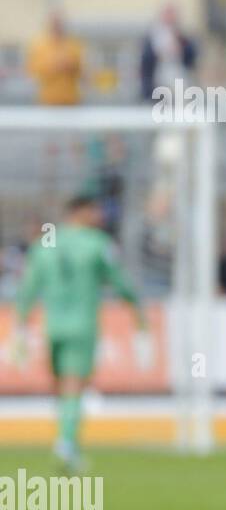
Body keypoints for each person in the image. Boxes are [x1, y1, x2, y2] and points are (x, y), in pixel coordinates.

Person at [10, 196, 150, 473]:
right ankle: (66, 444)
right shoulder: (97, 244)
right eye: (95, 210)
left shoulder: (45, 245)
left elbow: (28, 288)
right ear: (81, 212)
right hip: (81, 325)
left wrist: (21, 325)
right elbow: (121, 283)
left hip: (52, 327)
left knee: (61, 386)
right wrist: (138, 313)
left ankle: (65, 439)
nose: (99, 216)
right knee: (75, 386)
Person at [140, 4, 198, 100]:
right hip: (158, 81)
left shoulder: (181, 35)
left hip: (178, 76)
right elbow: (146, 60)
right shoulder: (153, 35)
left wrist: (180, 45)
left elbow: (191, 57)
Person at [27, 14, 83, 106]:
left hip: (71, 100)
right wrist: (54, 66)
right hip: (47, 100)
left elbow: (82, 71)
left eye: (59, 24)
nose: (57, 27)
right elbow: (33, 71)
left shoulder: (73, 45)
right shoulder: (39, 46)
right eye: (55, 24)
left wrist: (70, 66)